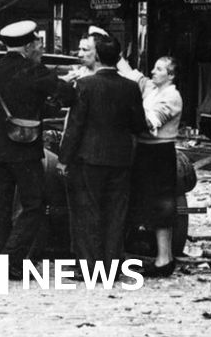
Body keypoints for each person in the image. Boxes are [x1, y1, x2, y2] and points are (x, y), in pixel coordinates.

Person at [0, 21, 75, 279]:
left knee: (1, 208)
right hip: (24, 150)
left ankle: (9, 265)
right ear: (27, 45)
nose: (39, 47)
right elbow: (67, 95)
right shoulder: (35, 71)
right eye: (36, 43)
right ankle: (10, 258)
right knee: (34, 204)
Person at [58, 34, 146, 272]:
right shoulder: (130, 87)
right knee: (116, 213)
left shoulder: (85, 86)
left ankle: (89, 268)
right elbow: (139, 125)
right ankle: (112, 266)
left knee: (87, 212)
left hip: (88, 159)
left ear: (96, 56)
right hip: (120, 158)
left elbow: (75, 127)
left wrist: (64, 159)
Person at [128, 56, 183, 277]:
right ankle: (161, 257)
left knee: (162, 205)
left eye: (159, 69)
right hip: (145, 149)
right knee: (149, 202)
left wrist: (126, 113)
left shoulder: (172, 96)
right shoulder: (153, 90)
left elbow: (151, 122)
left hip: (159, 152)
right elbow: (135, 75)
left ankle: (164, 259)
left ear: (170, 75)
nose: (153, 71)